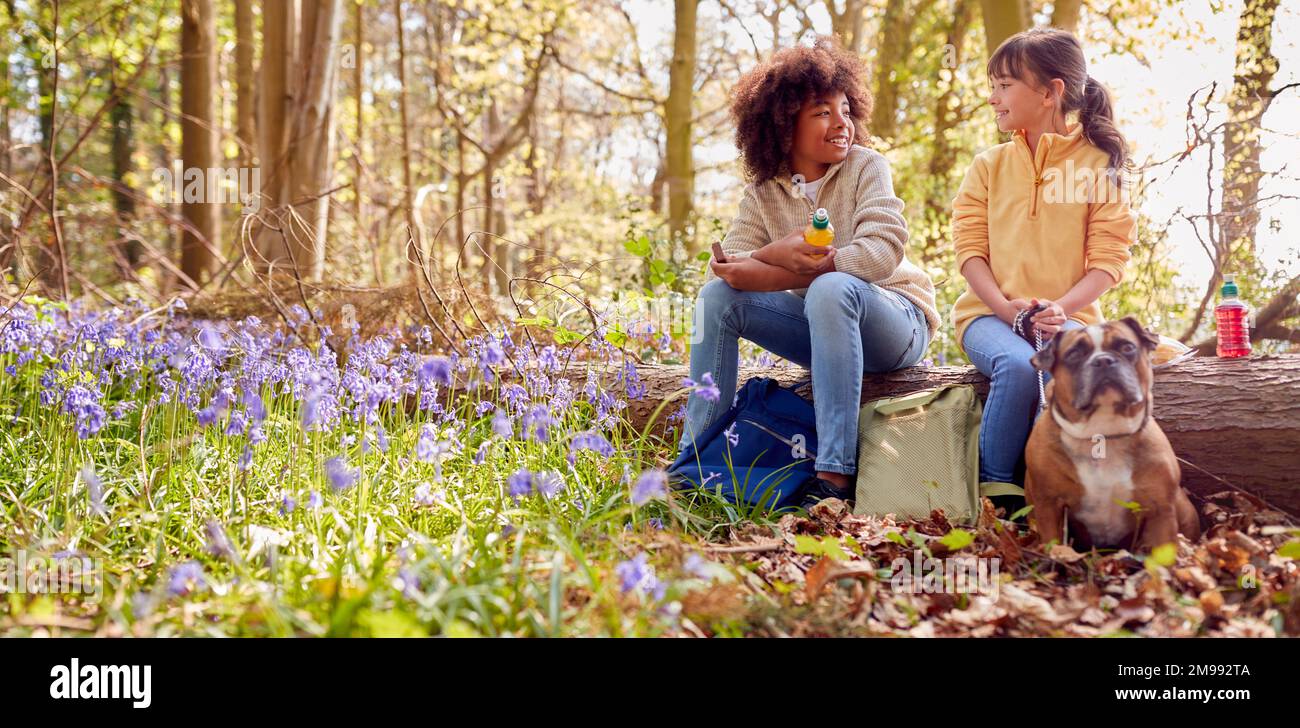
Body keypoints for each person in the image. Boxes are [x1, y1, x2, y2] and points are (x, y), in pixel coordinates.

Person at [677, 36, 940, 508]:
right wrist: (780, 252)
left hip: (895, 321)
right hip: (824, 329)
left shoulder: (867, 167)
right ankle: (696, 458)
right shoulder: (764, 193)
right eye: (823, 112)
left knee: (832, 287)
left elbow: (879, 254)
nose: (842, 123)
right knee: (715, 300)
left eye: (845, 109)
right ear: (783, 125)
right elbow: (731, 270)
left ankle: (834, 476)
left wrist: (797, 267)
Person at [951, 27, 1137, 510]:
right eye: (993, 85)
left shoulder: (1100, 164)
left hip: (1069, 319)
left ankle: (1063, 497)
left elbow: (1109, 259)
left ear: (1051, 92)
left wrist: (1059, 307)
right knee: (1016, 366)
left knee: (1067, 373)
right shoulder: (988, 166)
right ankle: (996, 497)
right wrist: (1006, 309)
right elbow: (969, 251)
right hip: (987, 315)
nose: (993, 97)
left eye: (1005, 85)